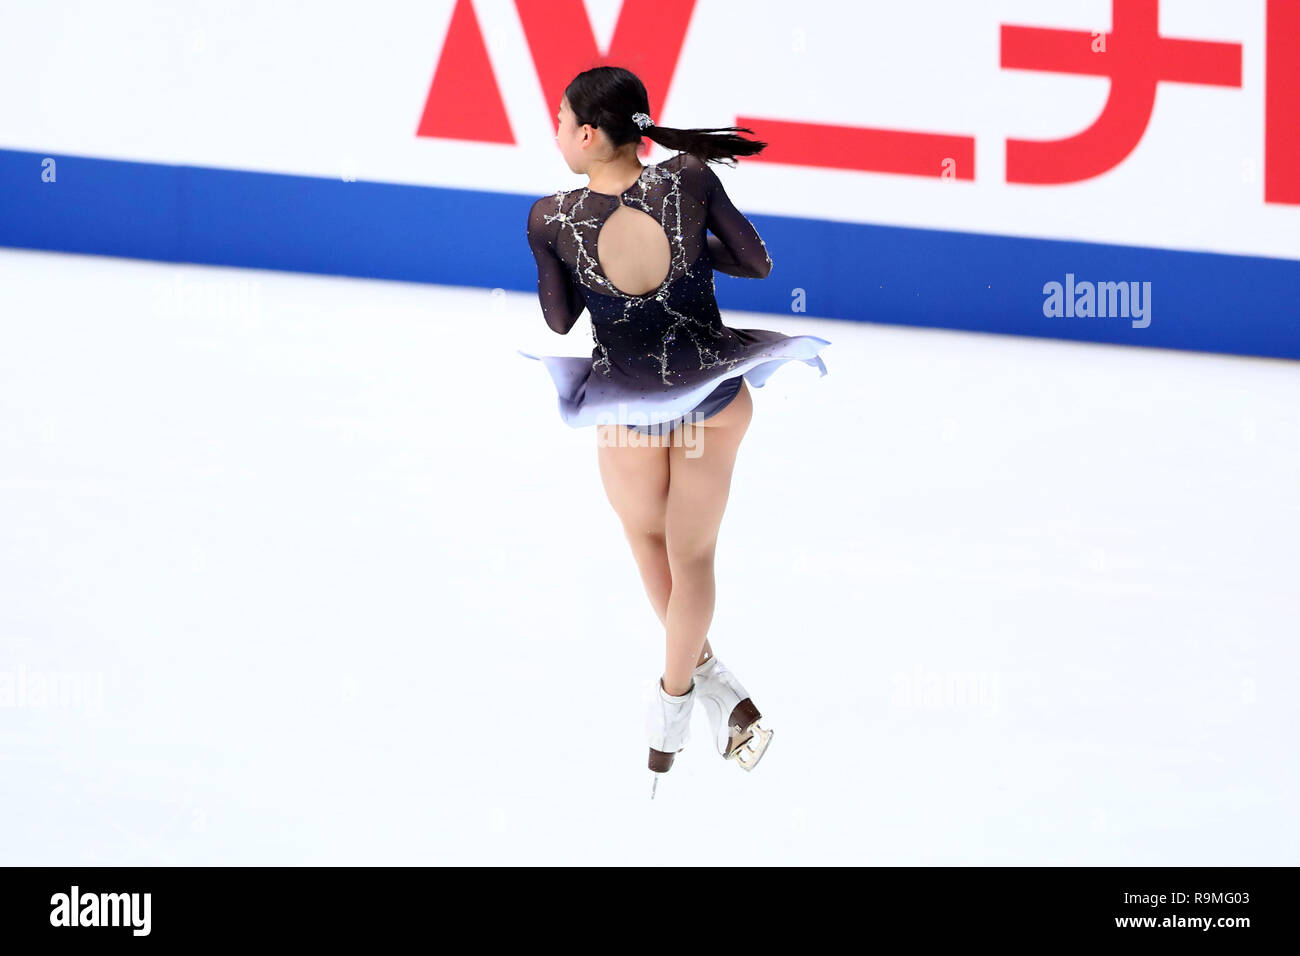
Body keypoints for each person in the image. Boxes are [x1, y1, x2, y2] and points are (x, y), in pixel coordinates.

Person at [521, 66, 830, 796]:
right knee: (693, 557)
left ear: (589, 135)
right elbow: (756, 261)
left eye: (561, 120)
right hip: (712, 398)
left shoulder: (552, 218)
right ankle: (689, 700)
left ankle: (690, 697)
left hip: (630, 411)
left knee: (649, 543)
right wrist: (685, 252)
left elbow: (560, 320)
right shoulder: (688, 179)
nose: (557, 131)